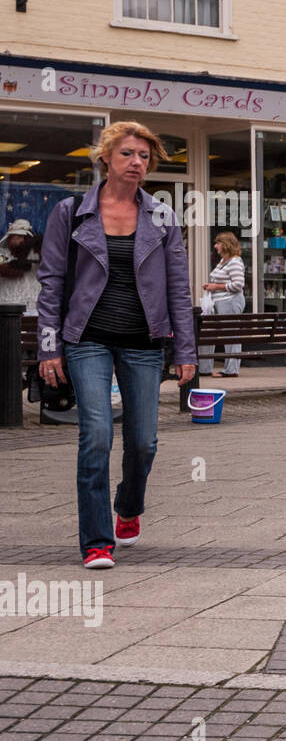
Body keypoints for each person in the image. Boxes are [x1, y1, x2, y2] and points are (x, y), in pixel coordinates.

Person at [36, 121, 197, 570]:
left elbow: (178, 290)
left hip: (144, 343)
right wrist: (49, 348)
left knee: (144, 441)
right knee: (97, 435)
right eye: (127, 154)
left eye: (144, 156)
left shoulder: (162, 217)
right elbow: (50, 284)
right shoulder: (71, 213)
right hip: (86, 339)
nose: (137, 163)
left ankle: (128, 507)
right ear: (105, 157)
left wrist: (185, 351)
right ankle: (96, 541)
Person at [198, 231, 246, 377]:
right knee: (207, 333)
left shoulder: (235, 262)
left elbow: (238, 284)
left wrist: (216, 287)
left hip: (230, 302)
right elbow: (221, 280)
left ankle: (231, 370)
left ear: (225, 244)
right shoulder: (223, 261)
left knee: (230, 335)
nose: (215, 246)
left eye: (218, 243)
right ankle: (204, 368)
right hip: (217, 302)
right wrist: (211, 286)